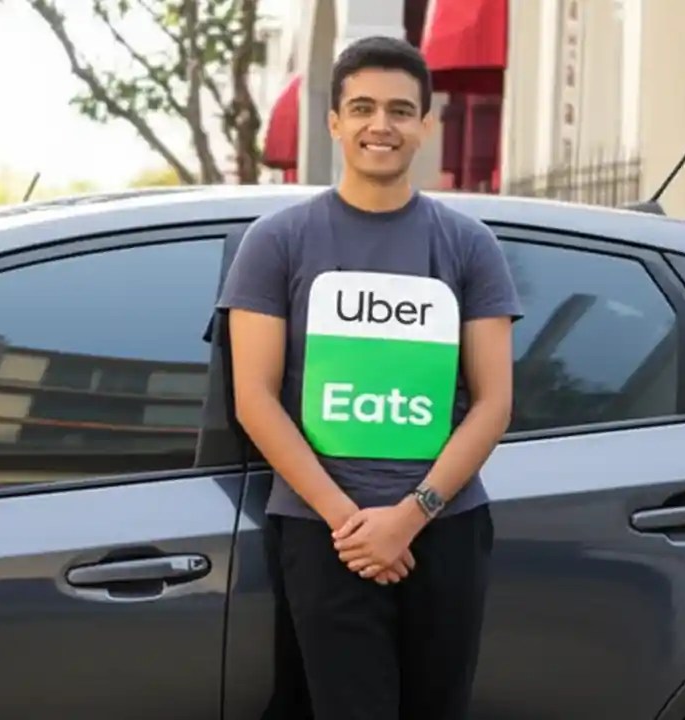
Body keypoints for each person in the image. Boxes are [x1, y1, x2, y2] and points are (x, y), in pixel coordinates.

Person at [216, 35, 522, 719]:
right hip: (324, 532)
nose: (379, 125)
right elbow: (255, 399)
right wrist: (352, 524)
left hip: (445, 529)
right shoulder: (278, 241)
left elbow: (493, 402)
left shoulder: (470, 246)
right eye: (361, 107)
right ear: (333, 122)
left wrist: (410, 518)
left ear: (426, 125)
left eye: (399, 110)